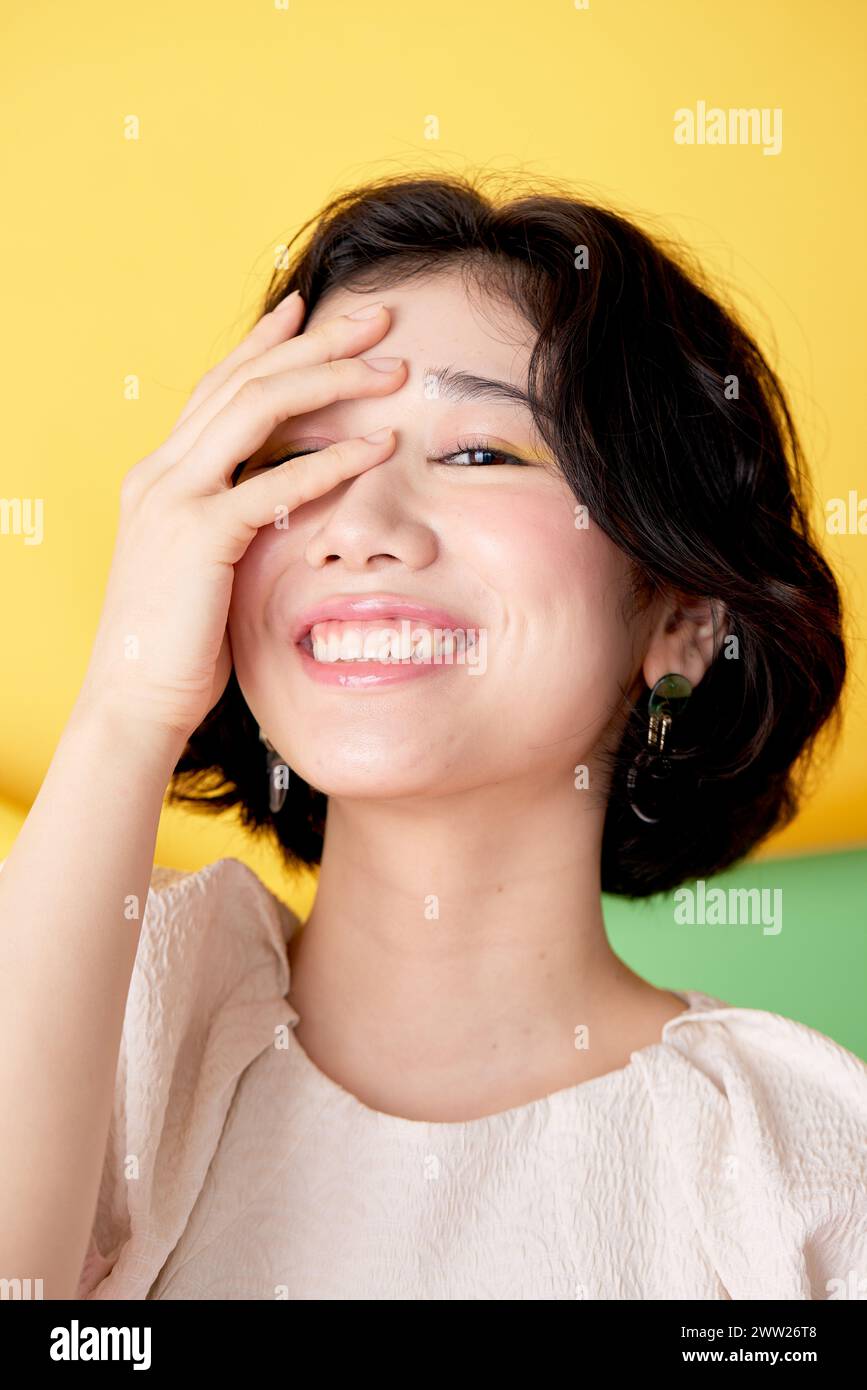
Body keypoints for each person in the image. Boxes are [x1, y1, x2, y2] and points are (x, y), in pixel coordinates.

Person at [1, 172, 864, 1301]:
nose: (355, 526)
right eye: (296, 461)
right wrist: (125, 706)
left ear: (680, 614)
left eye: (478, 454)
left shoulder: (800, 1168)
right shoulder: (106, 1007)